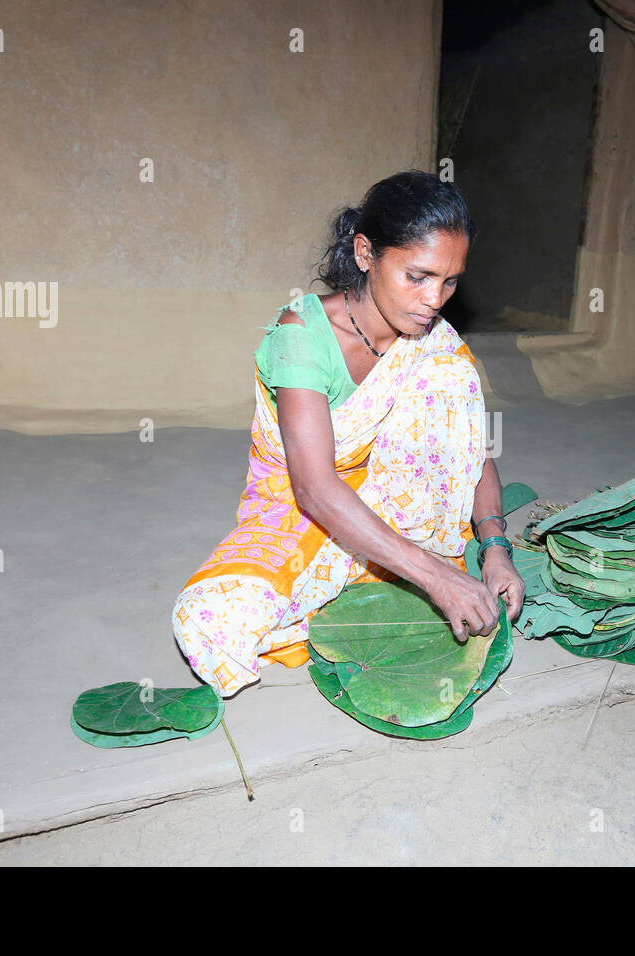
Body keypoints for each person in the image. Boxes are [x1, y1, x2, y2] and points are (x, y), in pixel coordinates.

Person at [172, 170, 526, 698]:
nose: (435, 299)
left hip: (401, 513)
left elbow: (470, 449)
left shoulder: (436, 347)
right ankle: (403, 577)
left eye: (450, 281)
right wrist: (435, 577)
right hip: (305, 510)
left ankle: (396, 575)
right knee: (209, 619)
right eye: (418, 276)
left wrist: (495, 546)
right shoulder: (302, 337)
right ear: (366, 253)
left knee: (446, 382)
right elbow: (314, 488)